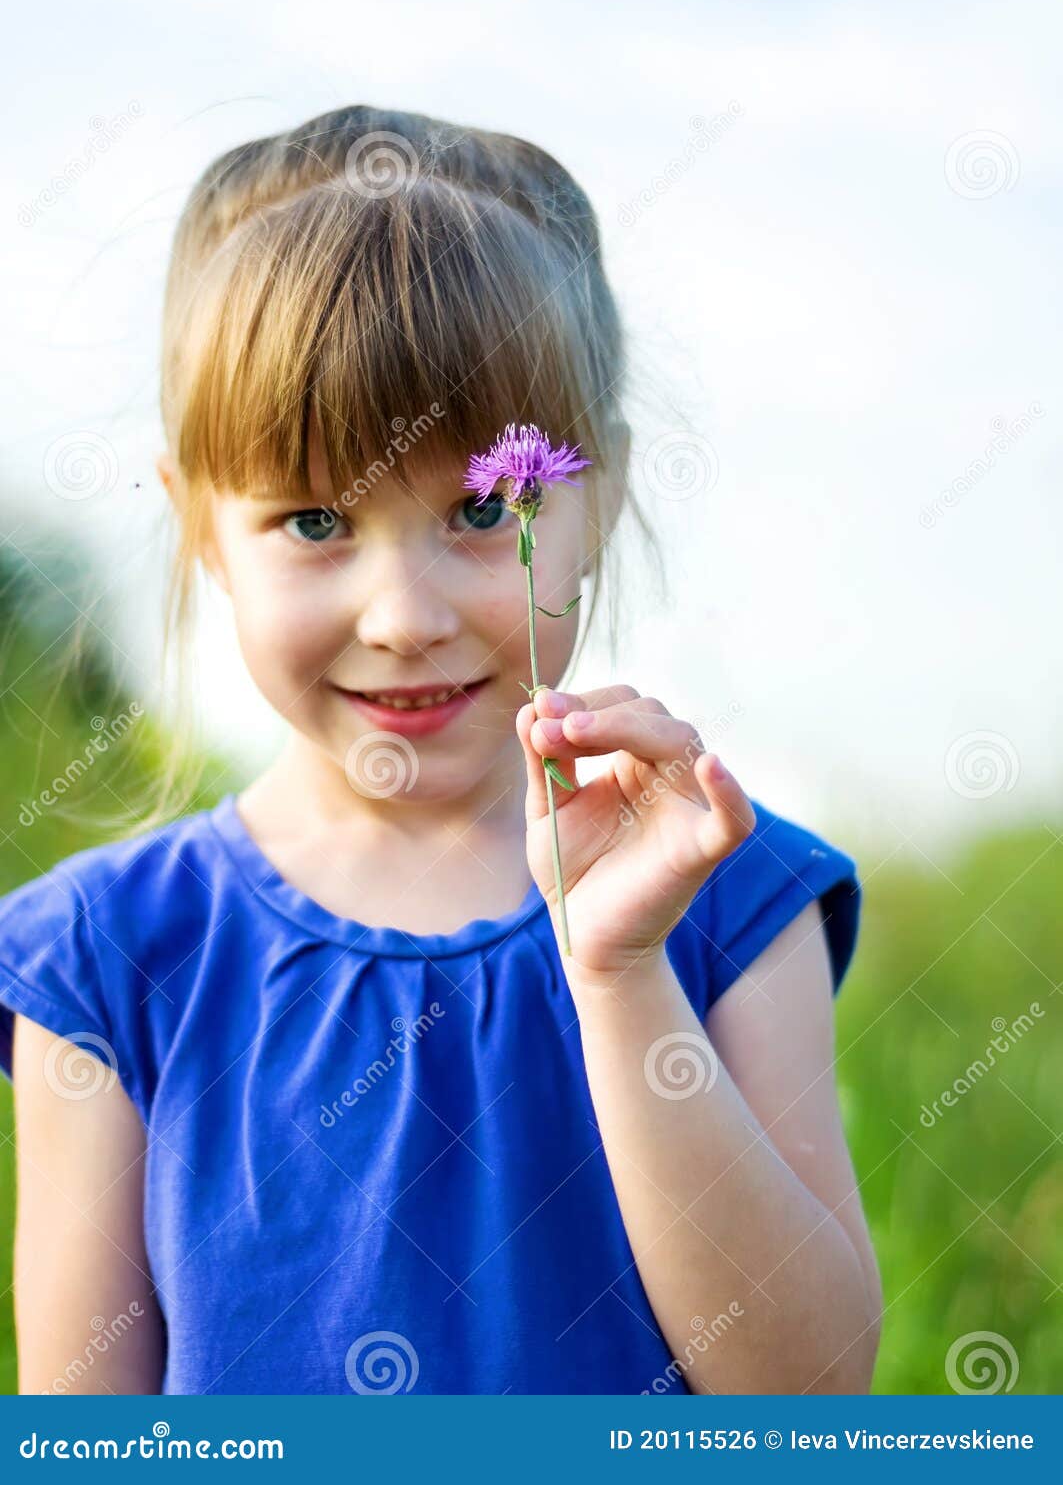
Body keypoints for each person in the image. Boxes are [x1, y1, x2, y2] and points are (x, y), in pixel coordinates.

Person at [0, 105, 882, 1395]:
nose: (404, 619)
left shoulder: (731, 897)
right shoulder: (108, 955)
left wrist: (622, 973)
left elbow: (811, 1398)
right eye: (315, 522)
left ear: (601, 495)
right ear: (199, 525)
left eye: (481, 507)